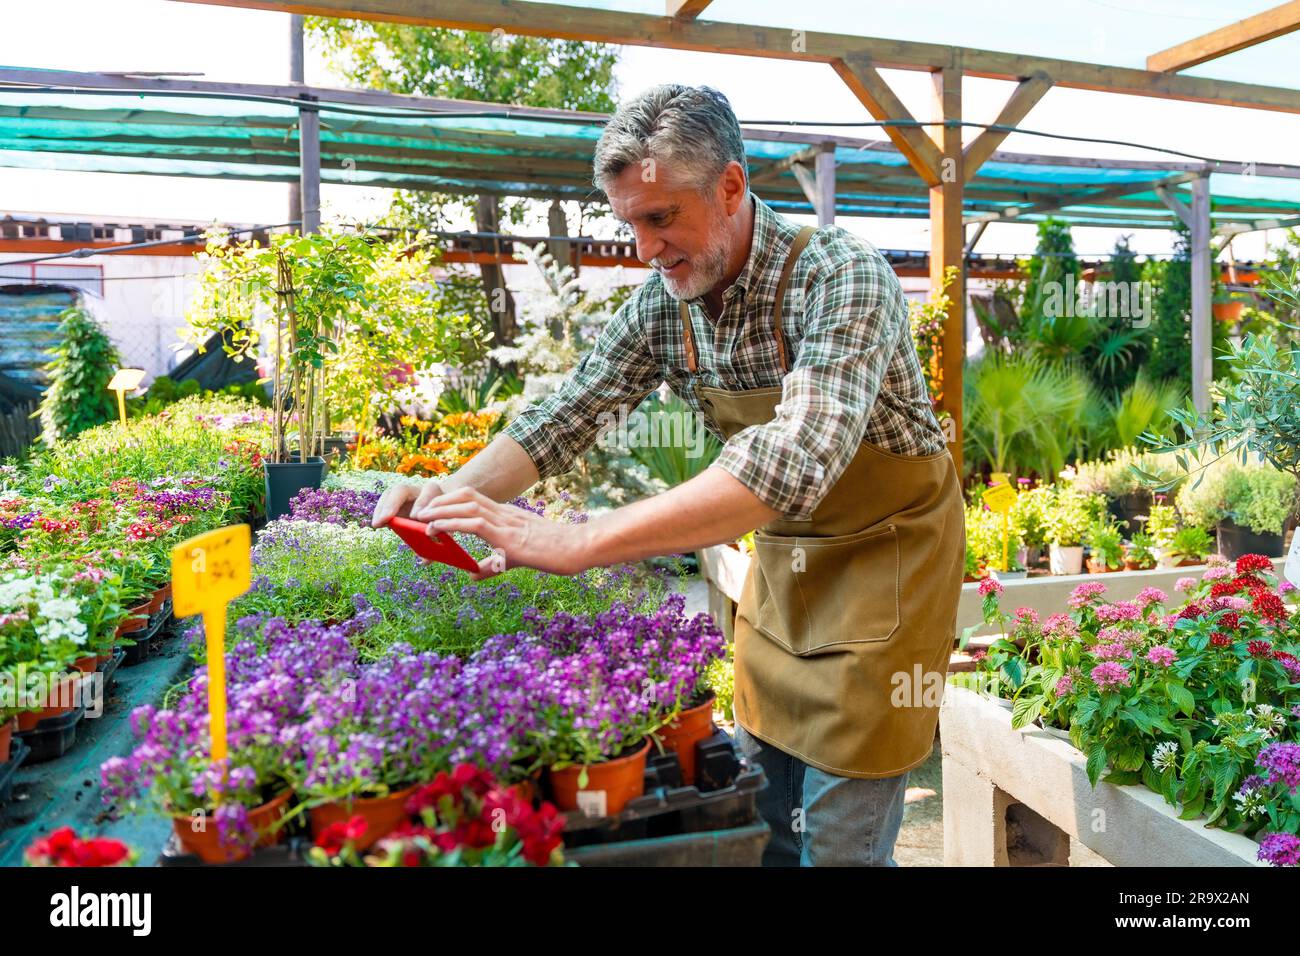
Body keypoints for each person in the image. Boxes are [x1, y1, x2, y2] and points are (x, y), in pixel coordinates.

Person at [372, 84, 965, 866]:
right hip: (787, 571)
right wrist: (454, 494)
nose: (646, 249)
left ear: (729, 185)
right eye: (630, 225)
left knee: (839, 844)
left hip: (890, 569)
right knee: (761, 820)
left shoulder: (839, 276)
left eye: (661, 218)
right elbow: (567, 415)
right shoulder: (665, 304)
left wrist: (578, 539)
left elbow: (790, 461)